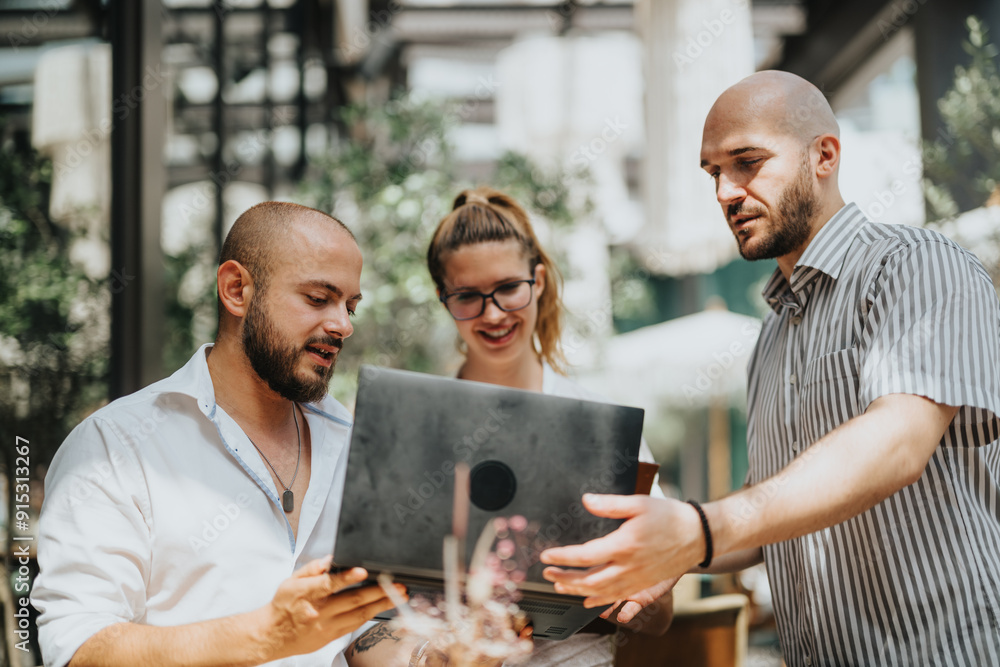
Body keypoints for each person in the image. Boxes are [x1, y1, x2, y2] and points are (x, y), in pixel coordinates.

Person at [540, 70, 1000, 666]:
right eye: (713, 172)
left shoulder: (918, 268)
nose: (725, 192)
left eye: (747, 162)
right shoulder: (772, 334)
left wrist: (701, 529)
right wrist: (676, 553)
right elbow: (775, 495)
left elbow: (897, 443)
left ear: (824, 156)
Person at [31, 201, 406, 667]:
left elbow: (357, 632)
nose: (343, 325)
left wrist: (431, 657)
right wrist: (268, 636)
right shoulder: (113, 447)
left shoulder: (352, 440)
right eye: (317, 298)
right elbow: (80, 650)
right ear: (236, 289)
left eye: (350, 306)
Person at [344, 188, 673, 667]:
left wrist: (638, 598)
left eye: (507, 288)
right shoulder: (407, 428)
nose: (493, 313)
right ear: (443, 298)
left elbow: (660, 616)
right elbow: (359, 622)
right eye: (468, 296)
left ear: (537, 281)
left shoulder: (603, 427)